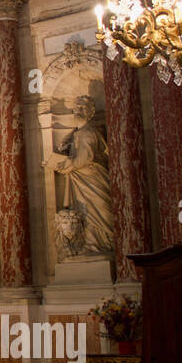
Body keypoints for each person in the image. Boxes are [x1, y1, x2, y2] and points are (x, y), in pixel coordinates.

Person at [45, 95, 113, 255]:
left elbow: (86, 157)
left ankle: (100, 245)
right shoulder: (78, 133)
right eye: (76, 107)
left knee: (97, 212)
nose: (78, 110)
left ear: (91, 112)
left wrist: (69, 165)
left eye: (82, 107)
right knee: (86, 212)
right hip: (81, 179)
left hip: (93, 178)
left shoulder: (87, 132)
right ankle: (91, 244)